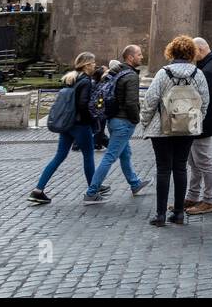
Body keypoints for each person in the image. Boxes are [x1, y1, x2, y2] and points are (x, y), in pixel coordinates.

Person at [140, 35, 210, 227]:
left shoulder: (163, 73)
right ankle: (179, 213)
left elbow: (150, 100)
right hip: (187, 129)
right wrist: (195, 121)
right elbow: (204, 102)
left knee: (163, 170)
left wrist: (145, 122)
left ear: (171, 51)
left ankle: (160, 215)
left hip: (162, 129)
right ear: (191, 53)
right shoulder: (198, 74)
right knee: (180, 168)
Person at [28, 54, 100, 204]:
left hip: (67, 123)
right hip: (80, 124)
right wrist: (92, 119)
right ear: (86, 65)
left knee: (59, 156)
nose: (95, 66)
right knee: (88, 156)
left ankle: (38, 189)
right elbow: (83, 104)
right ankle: (92, 191)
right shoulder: (86, 82)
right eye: (93, 63)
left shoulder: (72, 79)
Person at [83, 44, 147, 203]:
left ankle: (135, 183)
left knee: (125, 154)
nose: (142, 57)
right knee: (110, 156)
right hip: (124, 122)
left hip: (112, 120)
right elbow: (131, 103)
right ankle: (91, 192)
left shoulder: (114, 72)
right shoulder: (131, 76)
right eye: (139, 54)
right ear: (130, 57)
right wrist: (136, 120)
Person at [184, 37, 212, 216]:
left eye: (194, 53)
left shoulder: (209, 69)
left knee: (203, 161)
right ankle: (193, 196)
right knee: (194, 162)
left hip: (203, 122)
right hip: (203, 121)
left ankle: (209, 200)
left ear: (200, 50)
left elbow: (200, 99)